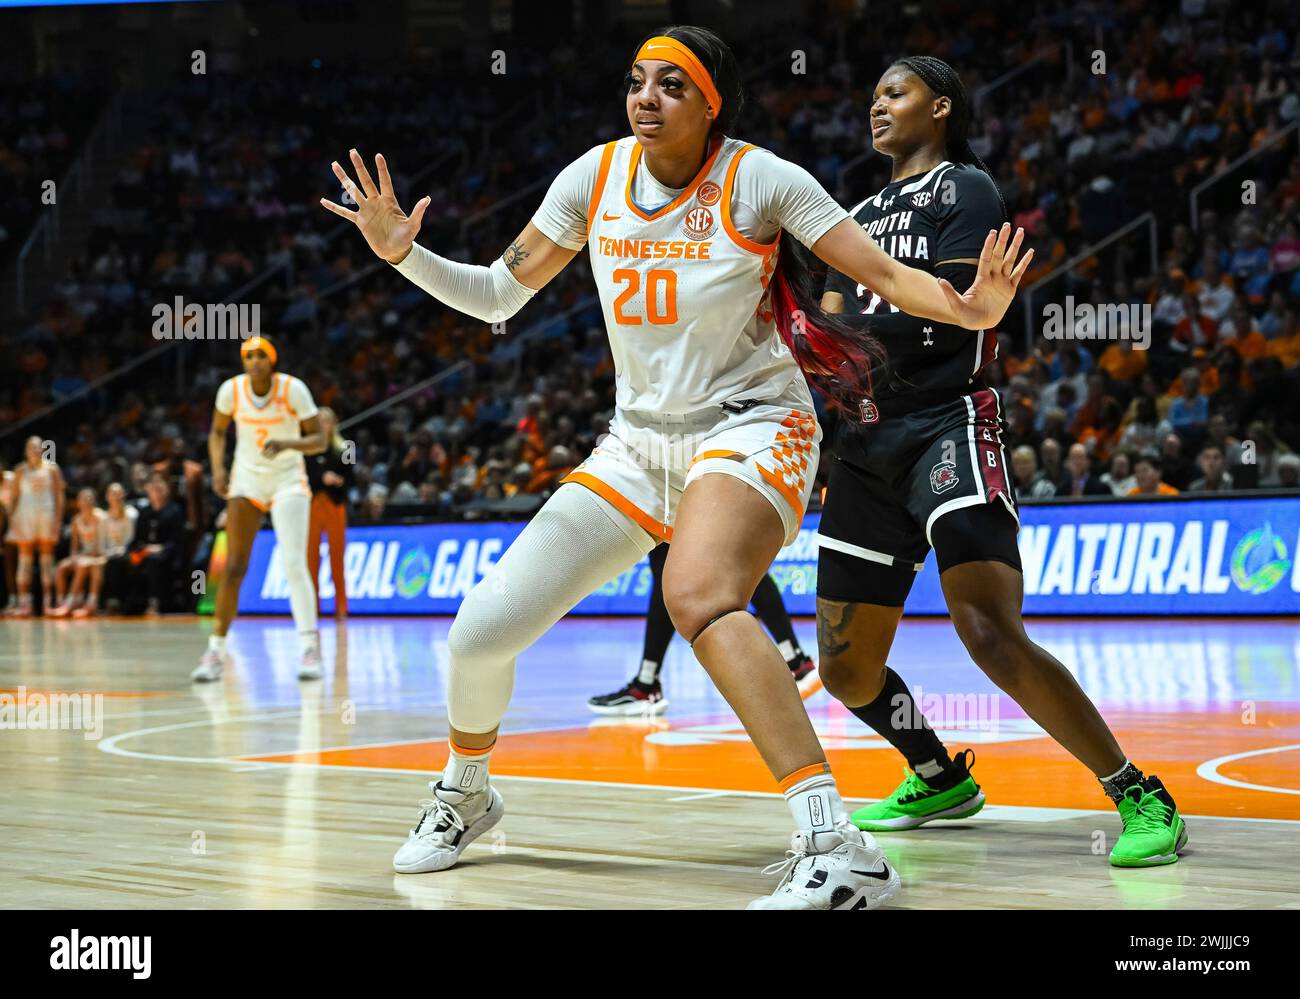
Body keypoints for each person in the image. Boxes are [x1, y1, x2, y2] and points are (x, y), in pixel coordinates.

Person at [322, 25, 1029, 908]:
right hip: (639, 443)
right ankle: (468, 790)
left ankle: (836, 843)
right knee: (479, 633)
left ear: (711, 104)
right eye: (635, 82)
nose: (645, 98)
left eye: (670, 85)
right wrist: (401, 254)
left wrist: (970, 308)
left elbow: (879, 268)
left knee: (697, 593)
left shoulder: (762, 178)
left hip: (757, 423)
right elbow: (499, 292)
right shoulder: (595, 176)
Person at [817, 55, 1186, 868]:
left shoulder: (965, 190)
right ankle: (937, 771)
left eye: (895, 91)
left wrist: (837, 343)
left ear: (940, 107)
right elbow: (828, 325)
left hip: (946, 424)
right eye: (872, 92)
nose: (876, 104)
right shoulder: (854, 212)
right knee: (844, 670)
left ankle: (1137, 790)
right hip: (863, 444)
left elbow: (948, 321)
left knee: (988, 629)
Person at [192, 336, 326, 682]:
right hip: (247, 480)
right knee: (234, 566)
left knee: (295, 564)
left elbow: (319, 440)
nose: (253, 361)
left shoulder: (292, 390)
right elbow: (218, 432)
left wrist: (286, 443)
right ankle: (215, 651)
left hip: (288, 481)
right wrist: (218, 469)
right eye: (248, 356)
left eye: (260, 356)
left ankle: (309, 648)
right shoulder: (231, 391)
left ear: (272, 360)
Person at [587, 542, 818, 715]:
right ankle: (795, 660)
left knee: (729, 556)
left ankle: (796, 661)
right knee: (725, 557)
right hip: (690, 483)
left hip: (687, 483)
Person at [6, 436, 64, 617]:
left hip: (46, 516)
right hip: (25, 518)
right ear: (26, 450)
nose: (35, 450)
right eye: (31, 447)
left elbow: (59, 496)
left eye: (38, 447)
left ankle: (48, 602)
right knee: (25, 560)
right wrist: (12, 520)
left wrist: (57, 520)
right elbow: (13, 498)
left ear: (43, 450)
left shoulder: (52, 469)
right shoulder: (20, 470)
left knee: (47, 560)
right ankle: (25, 603)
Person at [306, 405, 354, 618]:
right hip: (313, 505)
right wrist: (322, 479)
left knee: (337, 556)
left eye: (326, 421)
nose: (322, 426)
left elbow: (352, 477)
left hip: (335, 505)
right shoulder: (306, 451)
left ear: (333, 424)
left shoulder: (345, 448)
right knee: (311, 559)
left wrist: (340, 481)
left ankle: (341, 607)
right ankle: (312, 607)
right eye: (319, 422)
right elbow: (303, 478)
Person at [129, 473, 186, 616]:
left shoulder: (175, 511)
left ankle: (155, 602)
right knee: (121, 560)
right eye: (153, 488)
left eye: (159, 488)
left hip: (166, 554)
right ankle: (118, 603)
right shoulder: (144, 512)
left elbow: (177, 540)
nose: (156, 491)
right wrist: (138, 550)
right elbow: (137, 538)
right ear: (148, 490)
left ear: (166, 490)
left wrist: (160, 549)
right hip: (145, 551)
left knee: (154, 561)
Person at [48, 487, 106, 618]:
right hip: (83, 555)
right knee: (61, 567)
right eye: (83, 499)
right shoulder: (76, 520)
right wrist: (74, 557)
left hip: (99, 555)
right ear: (78, 502)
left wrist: (85, 556)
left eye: (89, 498)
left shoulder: (100, 517)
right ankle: (61, 601)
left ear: (94, 501)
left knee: (82, 565)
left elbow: (102, 543)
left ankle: (72, 604)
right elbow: (74, 545)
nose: (86, 502)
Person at [99, 482, 138, 613]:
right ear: (107, 496)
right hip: (108, 553)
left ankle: (115, 601)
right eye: (112, 494)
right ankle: (94, 602)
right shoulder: (104, 518)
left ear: (123, 495)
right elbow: (102, 541)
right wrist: (106, 552)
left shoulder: (131, 514)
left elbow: (130, 538)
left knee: (115, 561)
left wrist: (119, 551)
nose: (115, 497)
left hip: (126, 552)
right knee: (102, 562)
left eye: (118, 493)